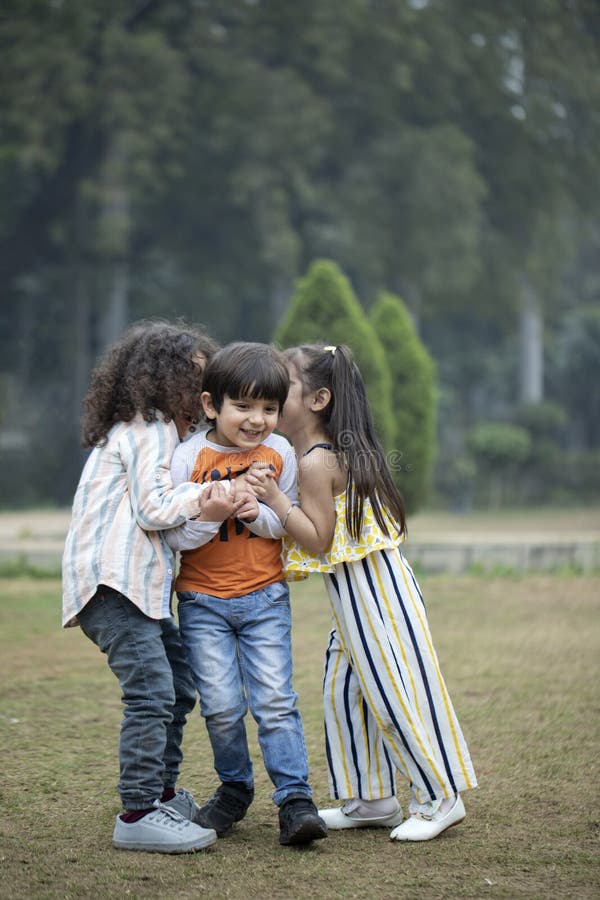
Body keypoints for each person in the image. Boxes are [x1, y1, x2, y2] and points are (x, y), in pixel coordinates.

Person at [247, 343, 477, 842]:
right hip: (361, 589)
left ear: (318, 399)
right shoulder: (330, 450)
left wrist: (273, 502)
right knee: (343, 690)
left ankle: (441, 796)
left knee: (392, 691)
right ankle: (371, 799)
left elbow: (319, 538)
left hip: (371, 592)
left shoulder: (315, 462)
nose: (269, 393)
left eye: (281, 387)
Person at [61, 318, 237, 854]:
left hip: (139, 590)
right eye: (198, 386)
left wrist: (205, 504)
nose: (205, 401)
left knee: (177, 688)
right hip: (113, 586)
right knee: (152, 693)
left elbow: (168, 528)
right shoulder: (149, 427)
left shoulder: (148, 431)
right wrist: (210, 493)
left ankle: (160, 795)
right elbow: (154, 507)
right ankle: (138, 812)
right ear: (166, 383)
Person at [164, 342, 327, 847]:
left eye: (270, 408)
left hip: (264, 599)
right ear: (212, 405)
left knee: (275, 700)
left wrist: (258, 513)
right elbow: (175, 534)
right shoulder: (188, 455)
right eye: (244, 406)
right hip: (201, 601)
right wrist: (210, 517)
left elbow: (286, 525)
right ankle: (235, 788)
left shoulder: (278, 454)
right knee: (220, 706)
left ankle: (295, 800)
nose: (257, 420)